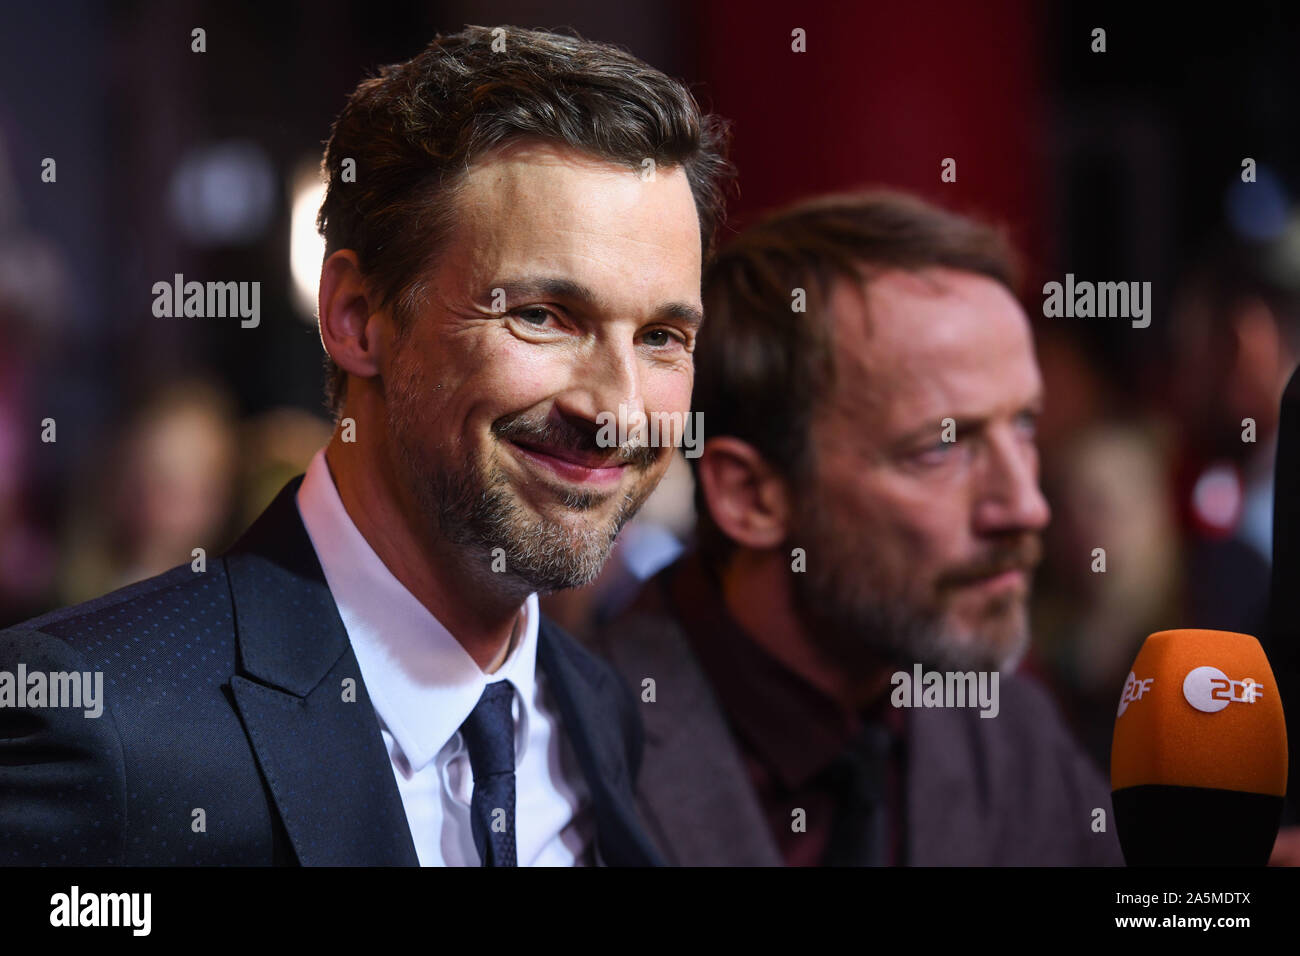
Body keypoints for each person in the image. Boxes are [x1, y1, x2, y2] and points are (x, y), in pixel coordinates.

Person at [0, 25, 733, 867]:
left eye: (663, 337)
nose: (619, 409)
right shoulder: (101, 727)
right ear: (356, 318)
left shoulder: (599, 709)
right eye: (541, 315)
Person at [588, 190, 1124, 865]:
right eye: (942, 448)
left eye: (1023, 427)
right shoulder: (568, 753)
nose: (1025, 506)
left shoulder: (1011, 735)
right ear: (750, 496)